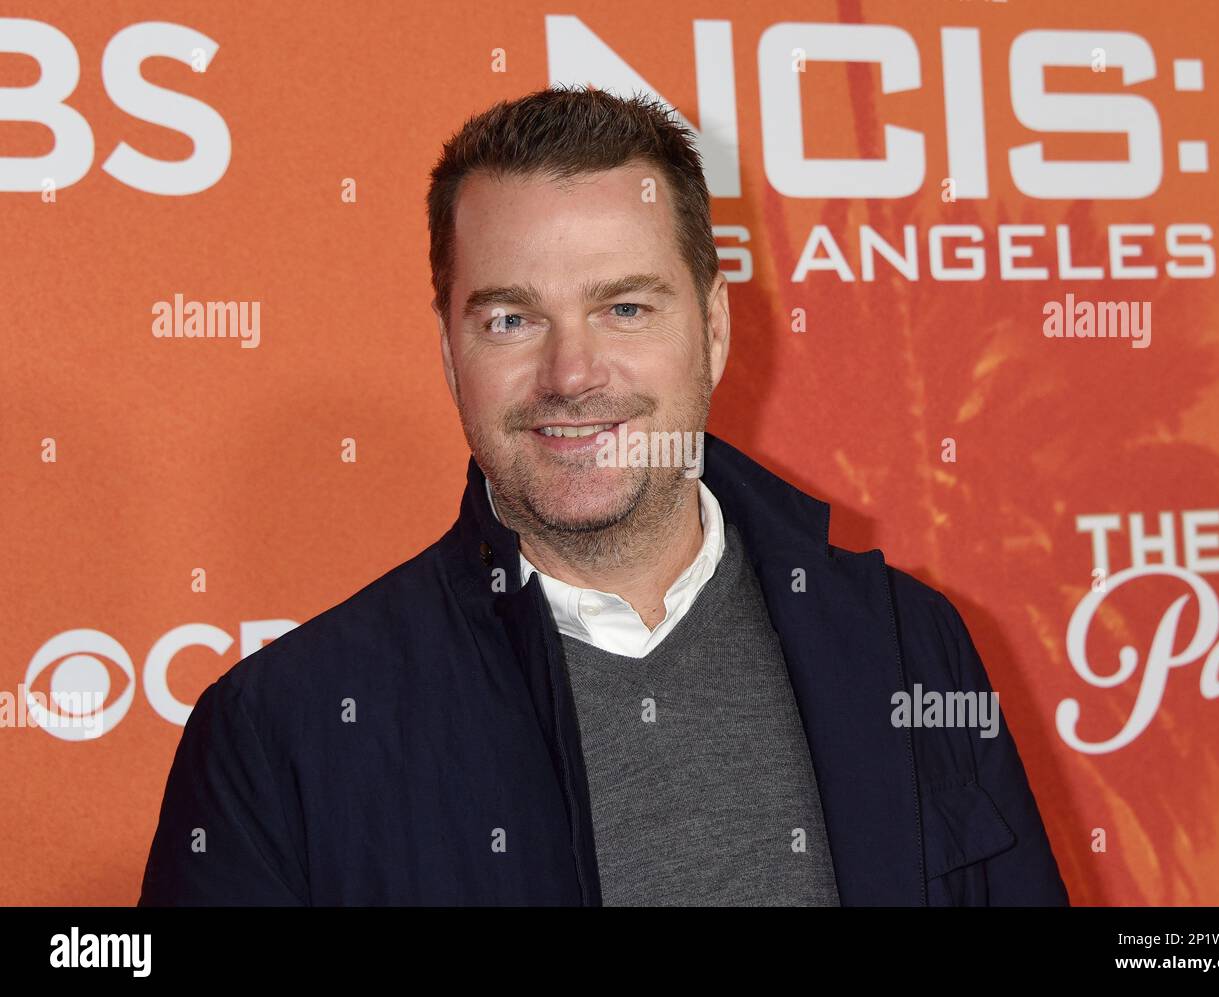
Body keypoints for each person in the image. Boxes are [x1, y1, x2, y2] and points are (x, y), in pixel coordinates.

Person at [138, 85, 1069, 906]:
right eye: (511, 318)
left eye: (625, 307)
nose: (571, 373)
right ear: (449, 353)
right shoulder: (280, 732)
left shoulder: (907, 643)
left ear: (710, 330)